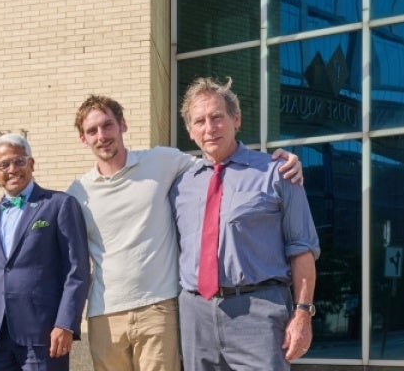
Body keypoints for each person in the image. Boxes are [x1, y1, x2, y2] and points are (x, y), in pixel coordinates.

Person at [67, 94, 302, 371]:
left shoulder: (162, 161)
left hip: (158, 309)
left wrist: (275, 164)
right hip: (104, 314)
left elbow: (217, 164)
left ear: (123, 125)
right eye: (92, 131)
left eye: (108, 125)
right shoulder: (77, 193)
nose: (102, 136)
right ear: (83, 139)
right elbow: (70, 261)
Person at [169, 77, 320, 370]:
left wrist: (303, 313)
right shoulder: (180, 185)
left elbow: (302, 248)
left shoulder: (278, 173)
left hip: (259, 312)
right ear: (190, 131)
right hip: (195, 315)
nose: (209, 128)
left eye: (217, 117)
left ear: (236, 119)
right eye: (199, 121)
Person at [0, 133, 90, 371]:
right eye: (4, 165)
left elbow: (77, 270)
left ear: (31, 164)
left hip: (44, 334)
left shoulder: (59, 205)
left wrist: (65, 323)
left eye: (19, 161)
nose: (12, 169)